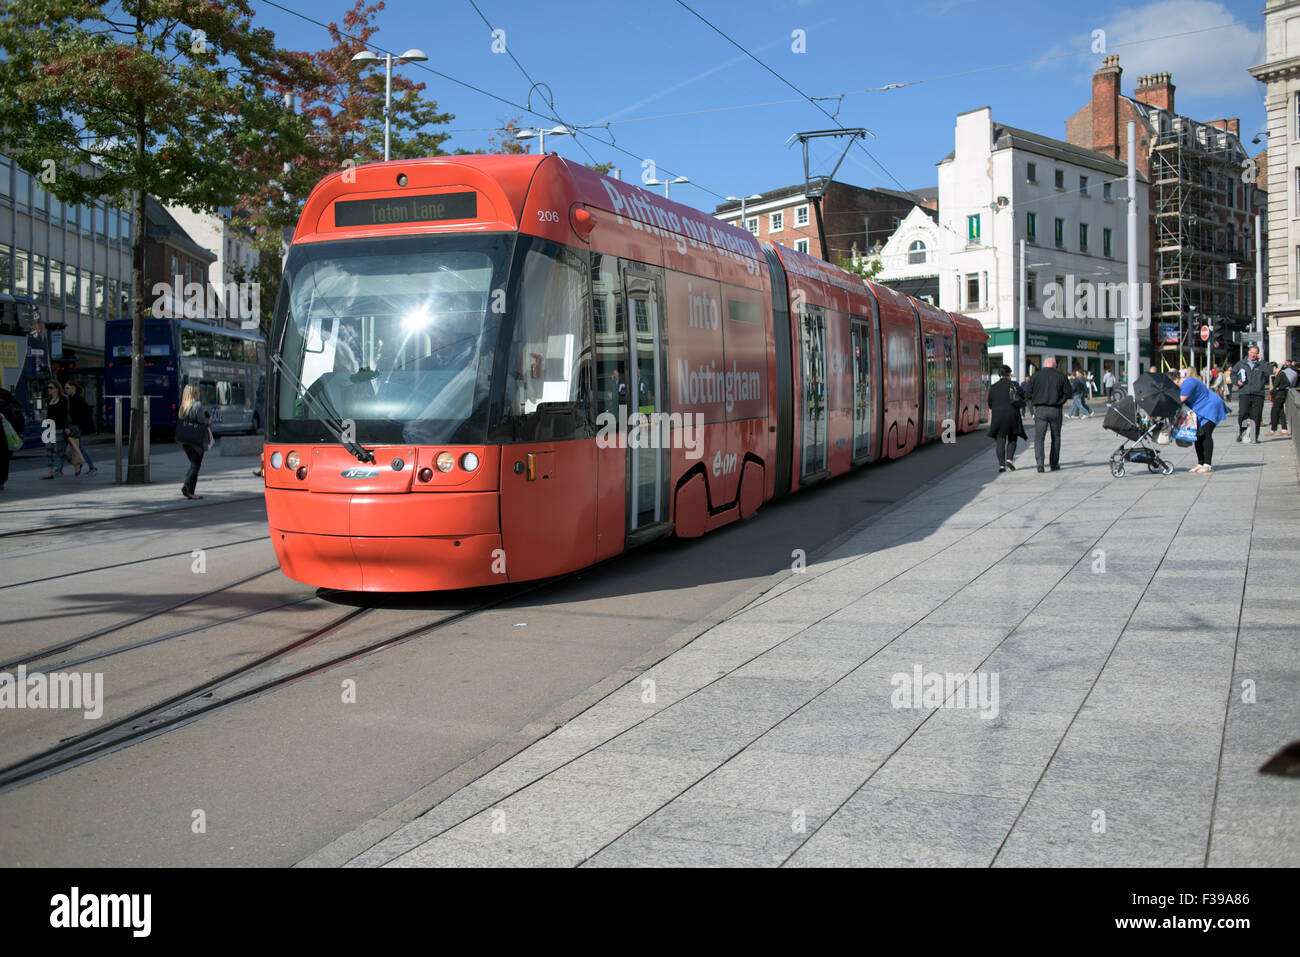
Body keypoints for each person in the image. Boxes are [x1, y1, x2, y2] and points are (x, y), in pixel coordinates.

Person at [1178, 367, 1228, 473]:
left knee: (1206, 434)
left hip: (1210, 408)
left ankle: (1207, 464)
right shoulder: (1184, 384)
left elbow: (1180, 400)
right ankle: (1200, 463)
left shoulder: (1188, 383)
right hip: (1200, 410)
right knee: (1198, 436)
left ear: (1176, 380)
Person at [1028, 357, 1072, 472]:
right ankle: (1054, 464)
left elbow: (1027, 393)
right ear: (1055, 365)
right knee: (1056, 437)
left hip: (1040, 409)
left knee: (1039, 438)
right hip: (1055, 409)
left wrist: (1035, 400)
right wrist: (1060, 401)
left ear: (1044, 365)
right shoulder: (1061, 376)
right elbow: (1069, 393)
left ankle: (1040, 463)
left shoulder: (1035, 376)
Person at [987, 365, 1027, 473]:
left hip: (998, 417)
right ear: (1009, 374)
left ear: (999, 374)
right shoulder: (1014, 385)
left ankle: (1001, 465)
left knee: (1000, 439)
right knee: (1012, 438)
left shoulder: (993, 387)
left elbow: (990, 403)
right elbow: (1023, 396)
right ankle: (1009, 459)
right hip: (1012, 415)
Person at [40, 381, 81, 478]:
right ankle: (49, 473)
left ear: (57, 388)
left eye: (51, 387)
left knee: (59, 451)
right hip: (49, 427)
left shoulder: (63, 399)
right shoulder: (49, 399)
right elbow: (49, 414)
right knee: (48, 451)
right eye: (48, 388)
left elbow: (66, 414)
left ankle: (76, 464)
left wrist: (66, 427)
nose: (49, 389)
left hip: (59, 427)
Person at [177, 383, 211, 499]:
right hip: (196, 440)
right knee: (195, 465)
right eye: (197, 392)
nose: (199, 393)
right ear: (194, 394)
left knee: (193, 464)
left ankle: (189, 489)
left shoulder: (183, 406)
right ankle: (188, 489)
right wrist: (208, 421)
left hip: (185, 440)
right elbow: (201, 419)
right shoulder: (198, 405)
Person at [1232, 346, 1269, 443]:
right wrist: (1237, 382)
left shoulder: (1260, 364)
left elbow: (1270, 371)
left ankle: (1254, 437)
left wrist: (1262, 362)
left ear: (1258, 354)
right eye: (1252, 352)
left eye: (1255, 353)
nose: (1253, 355)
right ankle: (1242, 433)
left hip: (1258, 394)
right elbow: (1233, 374)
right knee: (1242, 414)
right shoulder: (1241, 363)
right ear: (1248, 352)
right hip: (1245, 392)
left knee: (1256, 416)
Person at [64, 382, 98, 476]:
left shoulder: (78, 399)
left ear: (73, 388)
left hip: (76, 427)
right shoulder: (70, 399)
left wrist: (76, 427)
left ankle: (91, 467)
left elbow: (82, 416)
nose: (66, 390)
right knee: (75, 448)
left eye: (67, 388)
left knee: (77, 448)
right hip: (73, 426)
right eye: (65, 388)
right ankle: (83, 466)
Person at [0, 385, 22, 492]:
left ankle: (1, 481)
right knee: (4, 458)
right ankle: (1, 480)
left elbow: (16, 410)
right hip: (5, 434)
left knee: (3, 458)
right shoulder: (6, 394)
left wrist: (4, 413)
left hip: (5, 433)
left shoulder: (5, 395)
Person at [1267, 361, 1292, 437]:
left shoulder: (1281, 374)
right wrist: (1273, 379)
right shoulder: (1276, 375)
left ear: (1274, 367)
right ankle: (1284, 429)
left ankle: (1273, 429)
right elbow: (1275, 385)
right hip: (1277, 395)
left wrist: (1278, 388)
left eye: (1271, 369)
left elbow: (1287, 383)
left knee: (1274, 411)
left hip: (1280, 395)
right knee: (1281, 412)